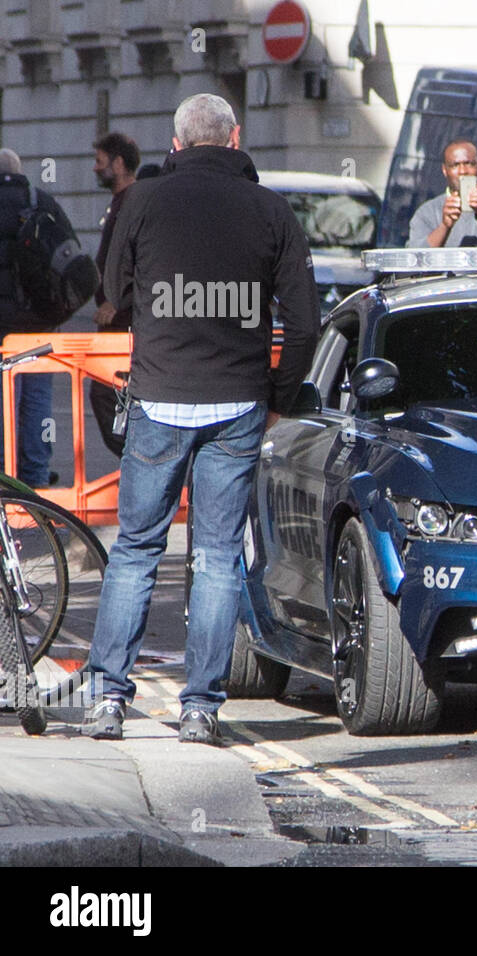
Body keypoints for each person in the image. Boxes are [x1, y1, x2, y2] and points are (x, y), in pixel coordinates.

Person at [82, 93, 319, 745]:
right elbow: (304, 324)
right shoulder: (272, 210)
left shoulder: (143, 202)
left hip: (159, 394)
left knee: (136, 549)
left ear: (177, 143)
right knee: (217, 557)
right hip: (238, 402)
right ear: (236, 138)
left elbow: (113, 294)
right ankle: (200, 709)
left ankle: (107, 698)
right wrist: (277, 396)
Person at [0, 147, 70, 487]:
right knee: (37, 399)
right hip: (39, 323)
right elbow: (72, 258)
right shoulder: (42, 202)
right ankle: (36, 477)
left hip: (2, 329)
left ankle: (5, 477)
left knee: (3, 400)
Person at [89, 132, 141, 458]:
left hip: (126, 324)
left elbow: (143, 261)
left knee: (105, 393)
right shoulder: (121, 203)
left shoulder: (133, 203)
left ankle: (140, 461)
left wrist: (117, 301)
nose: (95, 169)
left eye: (100, 162)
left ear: (118, 163)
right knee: (113, 395)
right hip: (116, 323)